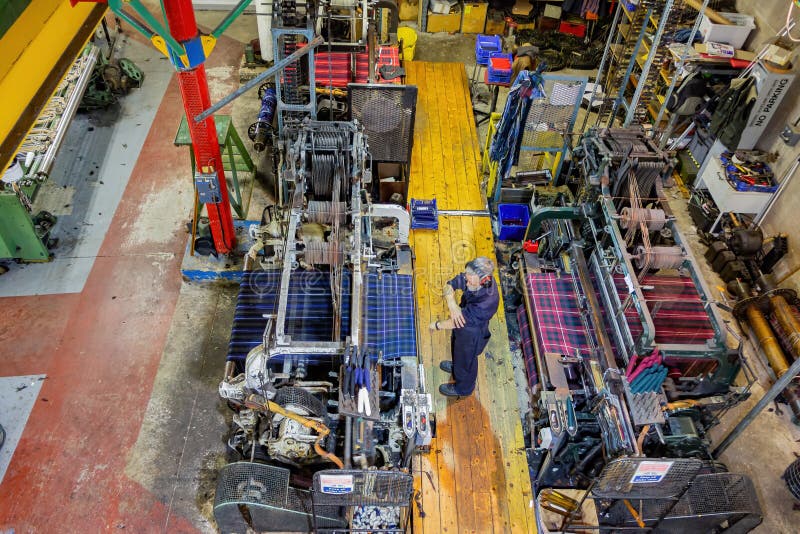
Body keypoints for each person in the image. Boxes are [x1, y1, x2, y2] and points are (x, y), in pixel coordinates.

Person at [429, 256, 500, 397]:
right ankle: (456, 366)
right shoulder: (473, 278)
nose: (465, 282)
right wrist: (452, 305)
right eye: (466, 277)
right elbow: (450, 285)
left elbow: (458, 321)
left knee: (466, 361)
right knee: (456, 349)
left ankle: (464, 389)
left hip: (472, 333)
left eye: (469, 280)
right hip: (464, 326)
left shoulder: (487, 302)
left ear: (483, 280)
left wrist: (437, 325)